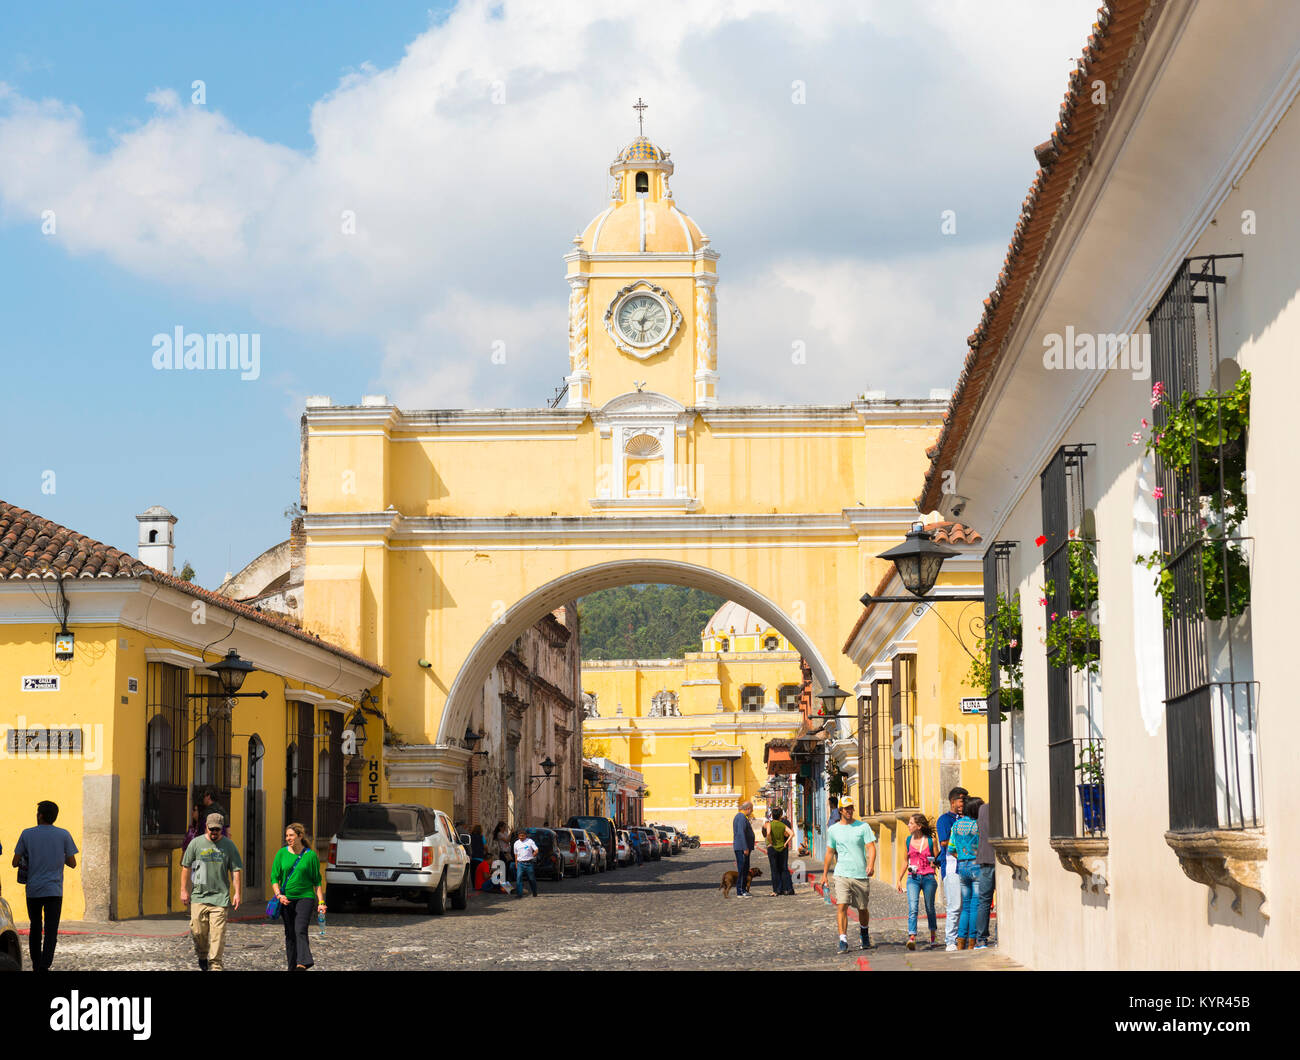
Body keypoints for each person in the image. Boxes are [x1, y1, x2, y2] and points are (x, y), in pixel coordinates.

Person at [11, 800, 78, 972]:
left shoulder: (27, 834)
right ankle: (44, 965)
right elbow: (72, 863)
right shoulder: (64, 835)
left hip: (33, 890)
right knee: (51, 930)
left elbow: (15, 861)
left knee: (35, 927)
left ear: (40, 815)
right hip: (54, 891)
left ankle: (35, 963)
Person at [180, 812, 243, 971]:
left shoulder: (229, 846)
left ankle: (215, 964)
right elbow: (186, 867)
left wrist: (237, 892)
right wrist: (184, 890)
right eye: (211, 829)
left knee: (218, 935)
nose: (214, 832)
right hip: (199, 896)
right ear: (206, 827)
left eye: (218, 830)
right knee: (197, 932)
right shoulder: (195, 844)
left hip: (220, 898)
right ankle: (202, 953)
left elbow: (235, 870)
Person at [820, 796, 877, 953]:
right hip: (841, 874)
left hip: (860, 874)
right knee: (842, 905)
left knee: (863, 908)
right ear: (840, 811)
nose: (850, 810)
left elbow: (871, 847)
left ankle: (864, 933)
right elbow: (830, 852)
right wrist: (824, 874)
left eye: (851, 807)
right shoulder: (833, 830)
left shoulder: (863, 827)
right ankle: (843, 940)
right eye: (847, 808)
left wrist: (871, 864)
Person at [271, 823, 325, 970]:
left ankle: (303, 963)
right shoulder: (281, 853)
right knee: (290, 935)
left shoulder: (310, 856)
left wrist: (321, 902)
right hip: (286, 899)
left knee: (300, 929)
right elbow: (274, 878)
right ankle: (292, 967)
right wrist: (279, 895)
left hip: (305, 898)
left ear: (300, 836)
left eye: (291, 835)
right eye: (287, 835)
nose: (288, 838)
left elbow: (317, 881)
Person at [894, 813, 939, 950]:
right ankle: (912, 936)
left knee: (929, 907)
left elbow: (937, 857)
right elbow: (904, 860)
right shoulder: (908, 840)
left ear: (919, 826)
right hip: (912, 878)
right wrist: (899, 879)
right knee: (913, 907)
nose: (908, 825)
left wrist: (934, 863)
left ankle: (933, 935)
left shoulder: (931, 841)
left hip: (928, 878)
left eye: (911, 823)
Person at [948, 795, 983, 950]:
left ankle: (961, 939)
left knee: (966, 905)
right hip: (977, 864)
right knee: (976, 904)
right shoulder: (977, 825)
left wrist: (962, 856)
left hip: (962, 866)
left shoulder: (955, 826)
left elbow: (950, 849)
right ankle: (972, 940)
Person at [936, 786, 967, 952]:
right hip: (952, 868)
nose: (963, 803)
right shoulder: (944, 820)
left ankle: (964, 937)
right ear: (953, 801)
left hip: (968, 868)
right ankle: (950, 940)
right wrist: (965, 847)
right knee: (954, 906)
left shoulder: (968, 819)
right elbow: (944, 843)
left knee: (966, 906)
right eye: (961, 800)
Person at [975, 799, 996, 949]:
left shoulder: (982, 809)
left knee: (984, 901)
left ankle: (981, 939)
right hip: (997, 858)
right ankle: (999, 936)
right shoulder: (1002, 807)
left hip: (985, 858)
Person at [762, 806, 794, 896]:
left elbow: (768, 833)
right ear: (780, 815)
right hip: (782, 848)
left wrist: (771, 842)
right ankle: (786, 888)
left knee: (774, 869)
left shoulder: (769, 824)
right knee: (783, 868)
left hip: (772, 848)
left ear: (772, 815)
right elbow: (791, 834)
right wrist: (785, 843)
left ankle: (776, 890)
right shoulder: (782, 825)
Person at [731, 801, 756, 898]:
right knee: (743, 869)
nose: (752, 811)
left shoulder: (740, 817)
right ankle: (741, 890)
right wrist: (745, 847)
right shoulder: (741, 818)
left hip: (741, 847)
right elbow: (741, 833)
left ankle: (742, 890)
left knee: (744, 869)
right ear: (748, 808)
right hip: (742, 847)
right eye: (752, 809)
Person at [513, 828, 539, 898]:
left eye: (523, 836)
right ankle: (519, 894)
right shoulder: (516, 843)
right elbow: (516, 854)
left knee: (531, 879)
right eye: (520, 836)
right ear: (518, 836)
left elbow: (536, 850)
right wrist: (516, 863)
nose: (521, 837)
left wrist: (532, 855)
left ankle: (534, 892)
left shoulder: (530, 841)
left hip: (529, 863)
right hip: (520, 864)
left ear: (525, 836)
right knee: (519, 878)